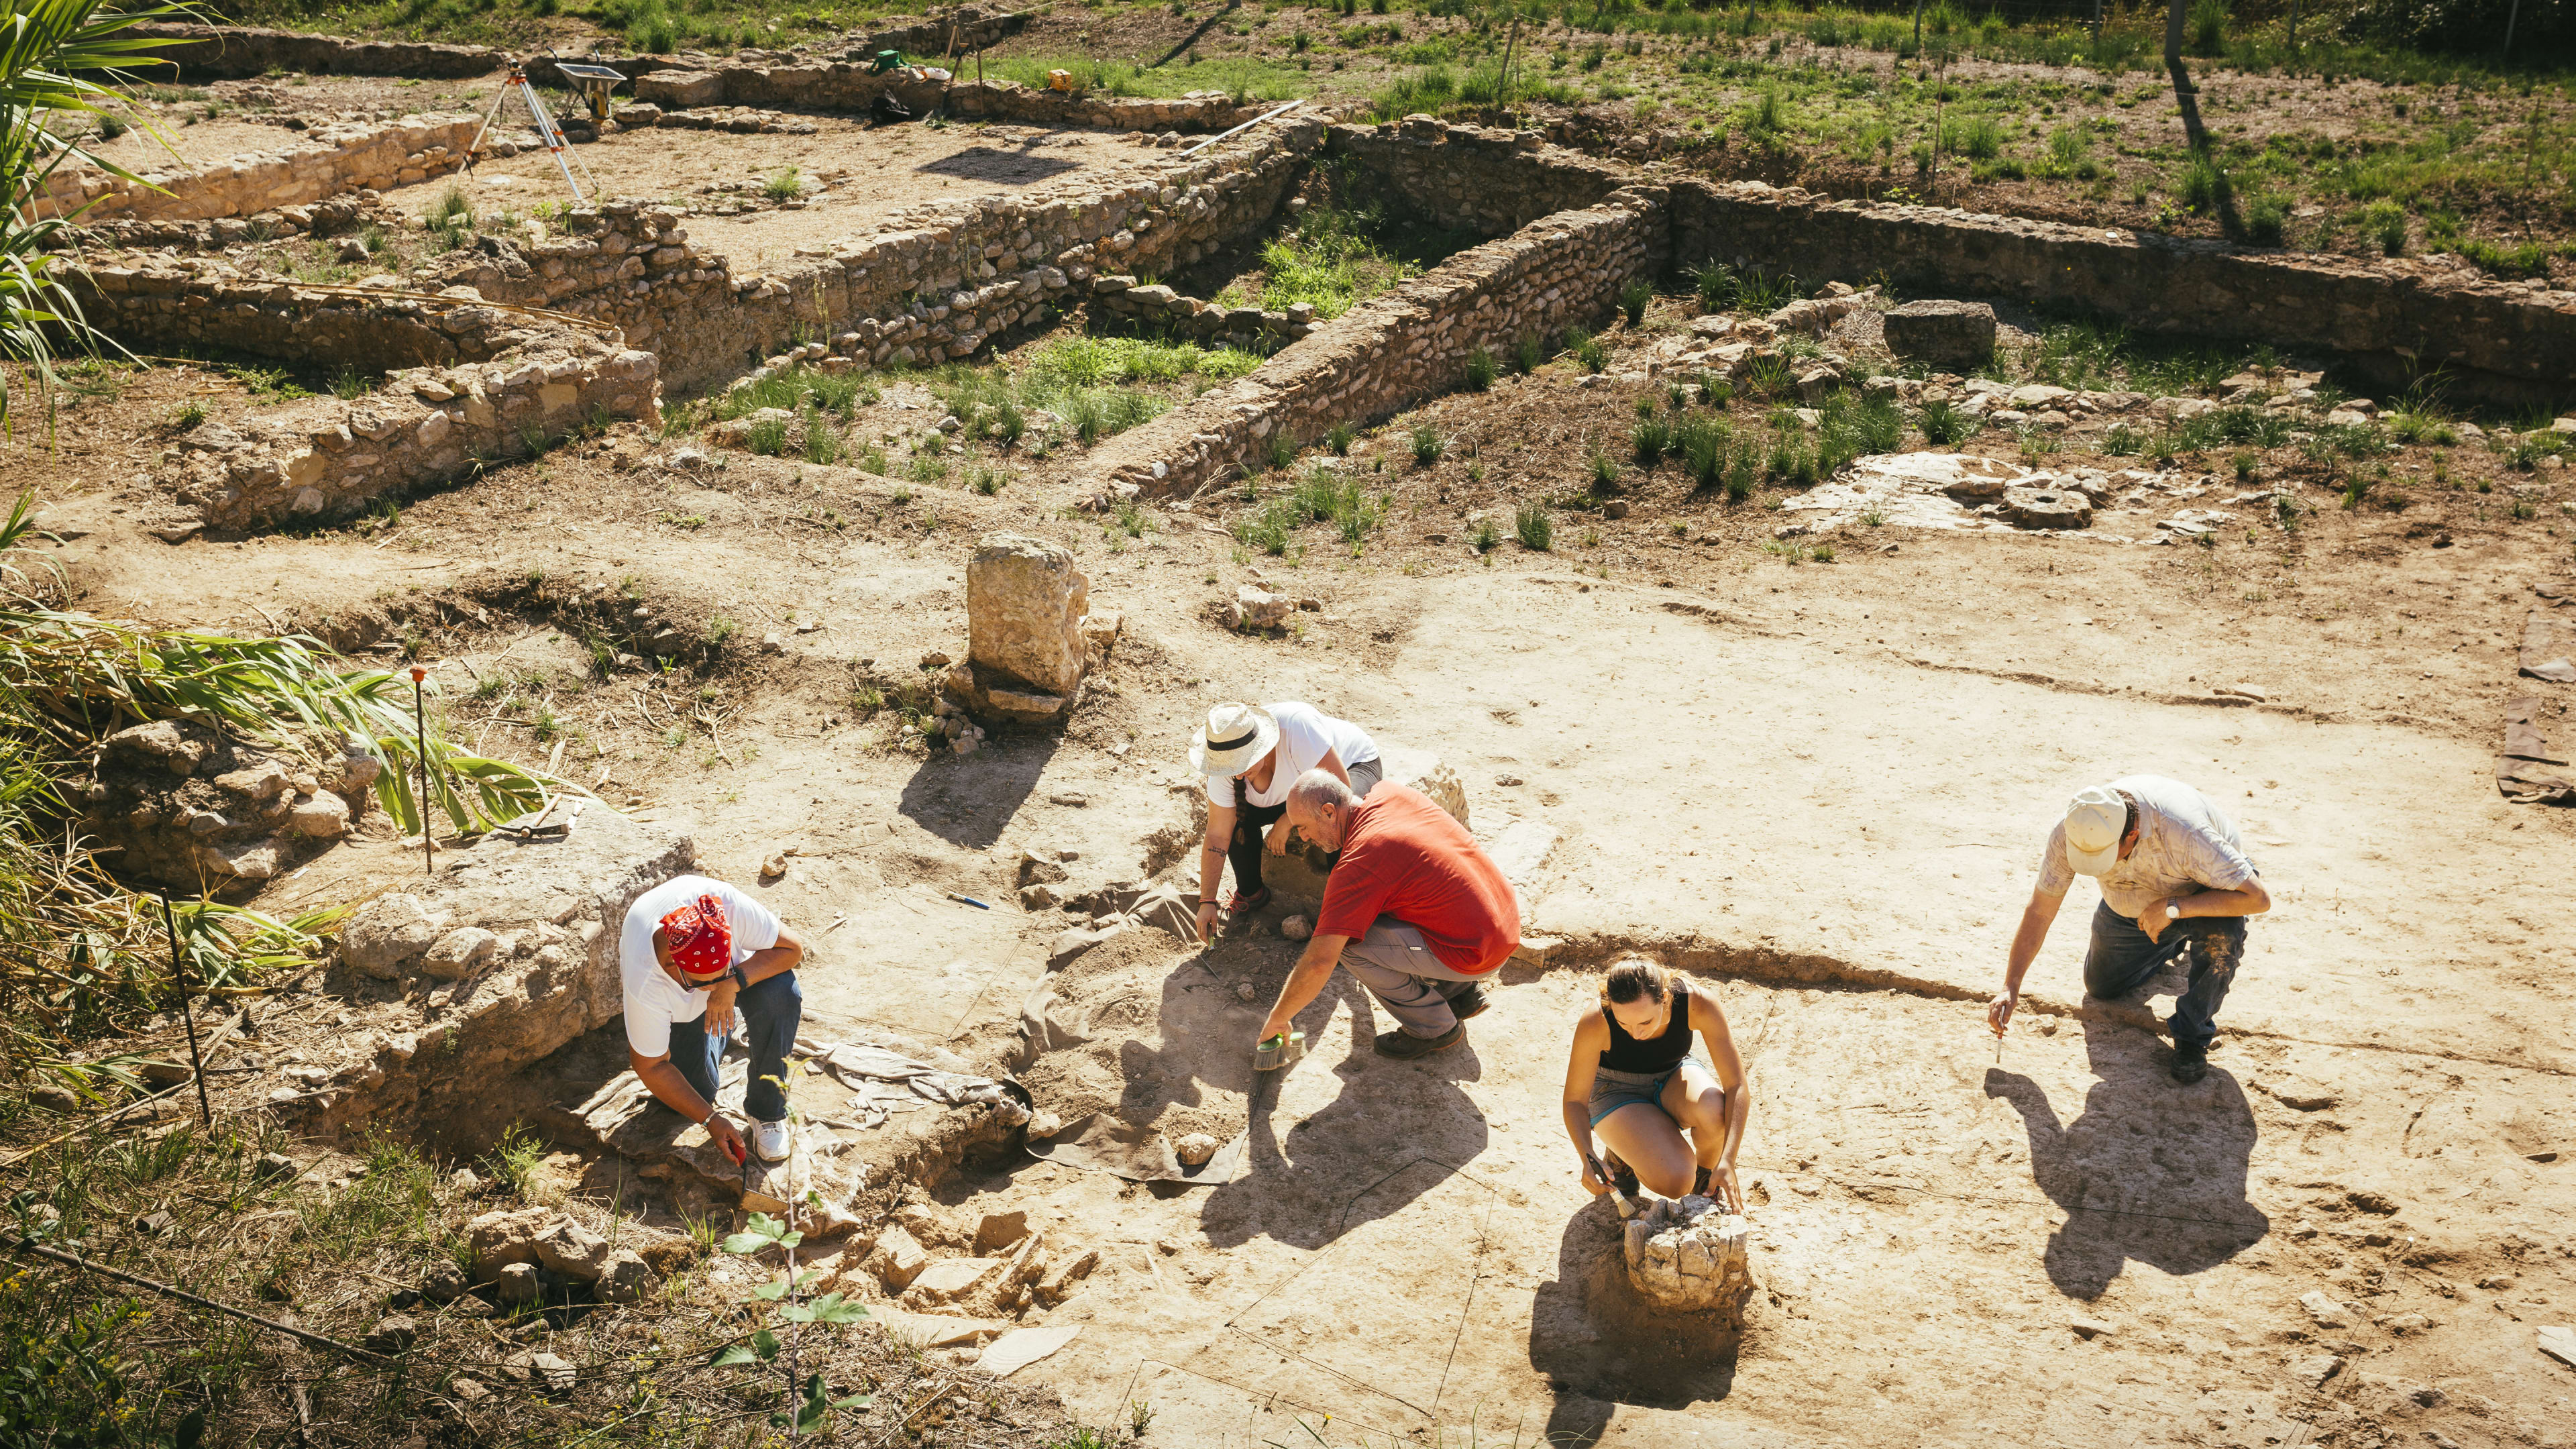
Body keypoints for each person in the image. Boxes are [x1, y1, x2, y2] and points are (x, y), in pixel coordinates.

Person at [1989, 777, 2271, 1085]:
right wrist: (2010, 985)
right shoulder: (2074, 829)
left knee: (2221, 941)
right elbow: (2040, 910)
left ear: (2133, 835)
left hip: (2205, 896)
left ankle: (2193, 1036)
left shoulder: (2185, 833)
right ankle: (2169, 943)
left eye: (2106, 858)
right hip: (2130, 908)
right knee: (2102, 987)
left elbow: (2258, 899)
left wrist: (2173, 907)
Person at [1254, 769, 1519, 1060]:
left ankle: (1433, 1027)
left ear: (1329, 812)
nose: (1303, 837)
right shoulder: (1390, 793)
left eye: (1303, 827)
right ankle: (1460, 994)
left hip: (1478, 953)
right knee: (1386, 906)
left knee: (1352, 948)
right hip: (1500, 920)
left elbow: (1319, 961)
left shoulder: (1360, 861)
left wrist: (1279, 1017)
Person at [619, 873, 809, 1163]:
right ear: (672, 962)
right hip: (678, 1009)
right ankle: (720, 1024)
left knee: (780, 994)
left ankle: (766, 1110)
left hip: (738, 983)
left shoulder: (728, 908)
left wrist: (729, 985)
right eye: (700, 983)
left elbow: (793, 949)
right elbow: (651, 1065)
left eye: (717, 977)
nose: (710, 990)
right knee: (694, 1095)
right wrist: (710, 1120)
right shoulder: (647, 982)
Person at [1559, 959, 1750, 1209]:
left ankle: (1705, 1181)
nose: (1636, 1034)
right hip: (1615, 1091)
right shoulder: (1597, 1019)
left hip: (1673, 1075)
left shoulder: (1698, 1003)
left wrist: (1728, 1160)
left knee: (1715, 1109)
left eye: (1646, 1022)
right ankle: (1622, 1156)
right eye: (1624, 1024)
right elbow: (1575, 1100)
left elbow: (1737, 1085)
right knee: (1677, 1181)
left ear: (1666, 998)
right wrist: (1587, 1157)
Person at [1190, 700, 1385, 943]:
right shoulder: (1224, 765)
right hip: (1295, 790)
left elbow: (1342, 794)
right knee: (1236, 820)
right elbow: (1218, 834)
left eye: (1243, 764)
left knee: (1338, 824)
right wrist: (1207, 900)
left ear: (1260, 747)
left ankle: (1347, 919)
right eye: (1232, 768)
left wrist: (1288, 820)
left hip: (1350, 766)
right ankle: (1252, 894)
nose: (1238, 775)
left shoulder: (1297, 730)